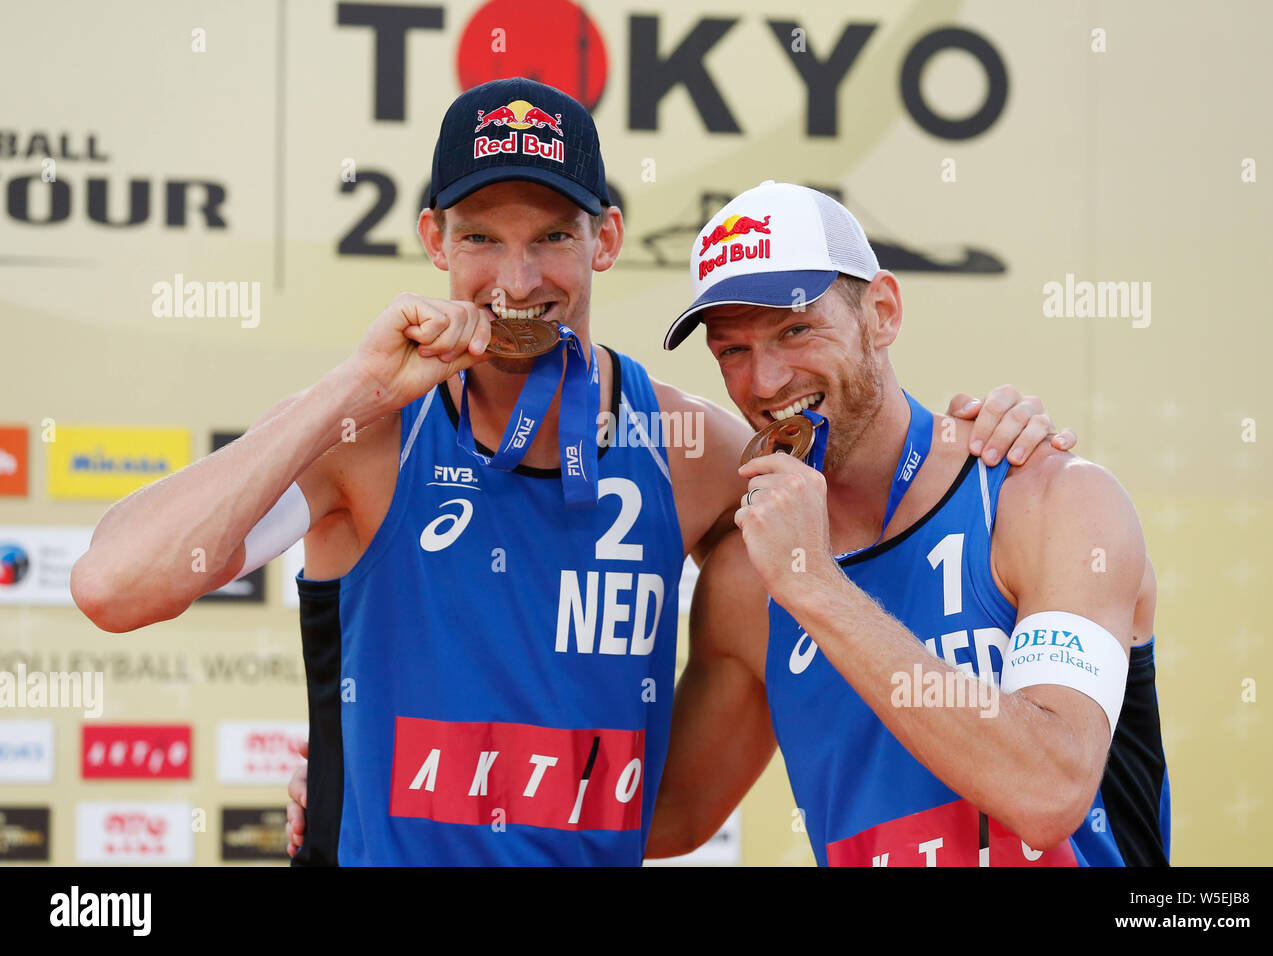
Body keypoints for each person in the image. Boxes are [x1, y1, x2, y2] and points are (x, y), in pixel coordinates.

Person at [67, 77, 1065, 865]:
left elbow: (859, 466)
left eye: (550, 236)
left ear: (606, 241)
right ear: (431, 243)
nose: (515, 280)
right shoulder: (371, 437)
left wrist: (997, 426)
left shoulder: (703, 454)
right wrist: (352, 384)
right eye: (479, 240)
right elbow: (115, 585)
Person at [644, 181, 1171, 866]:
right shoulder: (748, 583)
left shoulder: (1048, 500)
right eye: (732, 351)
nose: (766, 381)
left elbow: (1049, 791)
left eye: (796, 329)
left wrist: (817, 587)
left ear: (883, 312)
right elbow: (665, 819)